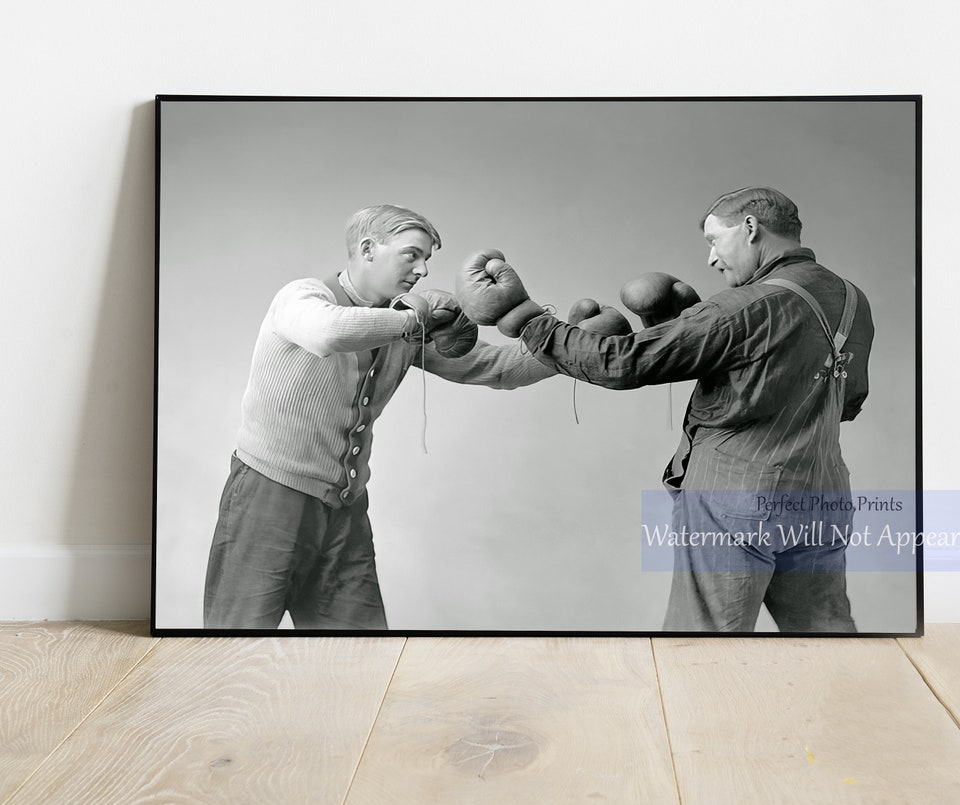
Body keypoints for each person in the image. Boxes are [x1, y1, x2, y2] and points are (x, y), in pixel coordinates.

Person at [454, 187, 874, 632]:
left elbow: (619, 362)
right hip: (823, 498)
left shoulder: (744, 306)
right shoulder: (852, 299)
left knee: (704, 645)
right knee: (826, 637)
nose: (712, 259)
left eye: (714, 240)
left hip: (737, 500)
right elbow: (846, 402)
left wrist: (525, 318)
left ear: (750, 229)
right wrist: (701, 342)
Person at [203, 204, 553, 630]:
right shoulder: (303, 297)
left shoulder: (403, 323)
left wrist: (578, 343)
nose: (423, 270)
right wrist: (411, 320)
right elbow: (327, 332)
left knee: (361, 652)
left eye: (427, 259)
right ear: (368, 249)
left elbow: (499, 368)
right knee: (233, 645)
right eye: (412, 254)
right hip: (268, 499)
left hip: (345, 511)